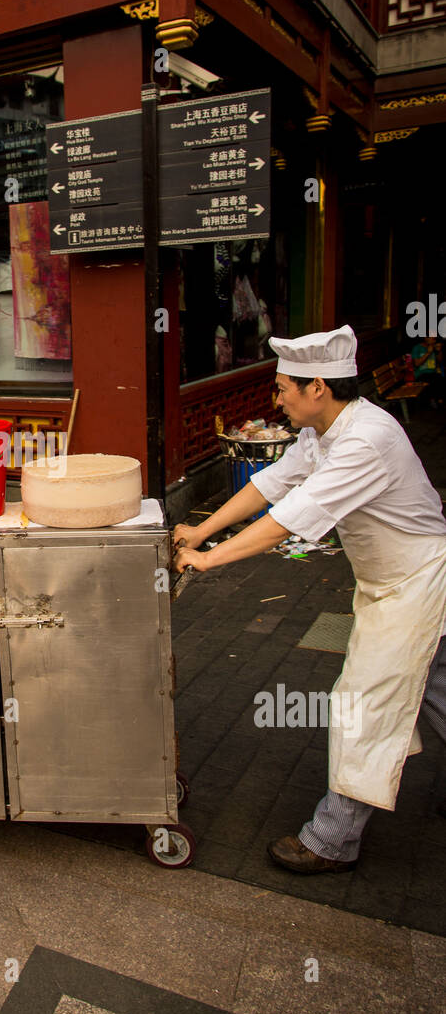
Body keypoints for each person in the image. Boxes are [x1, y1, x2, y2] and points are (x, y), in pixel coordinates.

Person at [173, 324, 446, 874]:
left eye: (282, 388)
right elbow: (271, 484)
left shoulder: (367, 441)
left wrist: (209, 559)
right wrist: (203, 532)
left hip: (419, 584)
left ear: (317, 387)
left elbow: (287, 521)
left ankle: (332, 838)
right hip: (391, 585)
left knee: (364, 703)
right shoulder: (323, 434)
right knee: (433, 687)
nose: (276, 398)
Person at [411, 335, 445, 408]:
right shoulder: (417, 348)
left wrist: (439, 351)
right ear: (426, 338)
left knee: (440, 379)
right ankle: (434, 401)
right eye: (432, 338)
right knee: (433, 380)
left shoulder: (434, 347)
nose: (434, 340)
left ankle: (439, 401)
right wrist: (428, 353)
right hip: (421, 374)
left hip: (433, 373)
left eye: (435, 338)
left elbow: (440, 360)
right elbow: (417, 364)